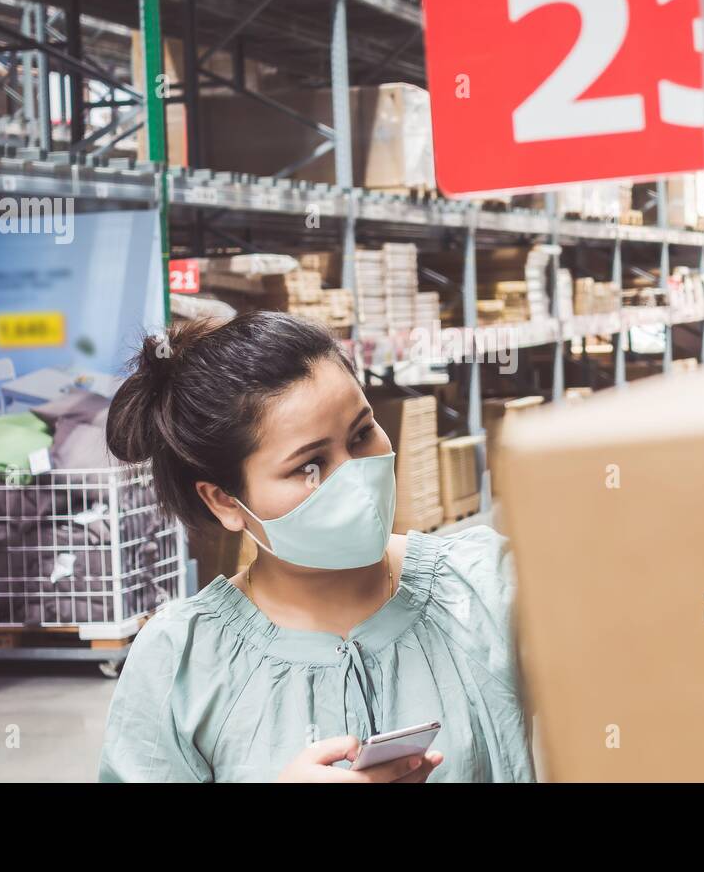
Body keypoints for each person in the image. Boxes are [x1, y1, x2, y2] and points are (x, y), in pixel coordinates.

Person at [96, 311, 537, 782]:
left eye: (362, 433)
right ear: (226, 500)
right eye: (310, 464)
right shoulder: (179, 663)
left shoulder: (487, 587)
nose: (355, 475)